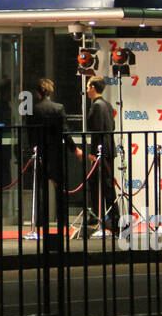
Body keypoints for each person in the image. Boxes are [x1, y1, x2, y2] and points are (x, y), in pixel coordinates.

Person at [24, 78, 82, 235]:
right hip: (56, 152)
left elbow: (29, 133)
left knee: (40, 188)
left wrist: (31, 150)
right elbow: (65, 131)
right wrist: (75, 149)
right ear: (50, 91)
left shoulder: (33, 110)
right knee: (60, 188)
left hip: (39, 152)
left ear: (38, 93)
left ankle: (41, 221)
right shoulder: (58, 108)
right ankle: (62, 220)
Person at [85, 76, 121, 236]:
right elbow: (112, 126)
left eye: (88, 87)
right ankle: (108, 218)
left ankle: (106, 218)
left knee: (101, 185)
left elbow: (97, 131)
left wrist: (94, 153)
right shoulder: (107, 105)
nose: (86, 90)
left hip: (101, 152)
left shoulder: (97, 106)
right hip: (108, 149)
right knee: (105, 185)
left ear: (93, 87)